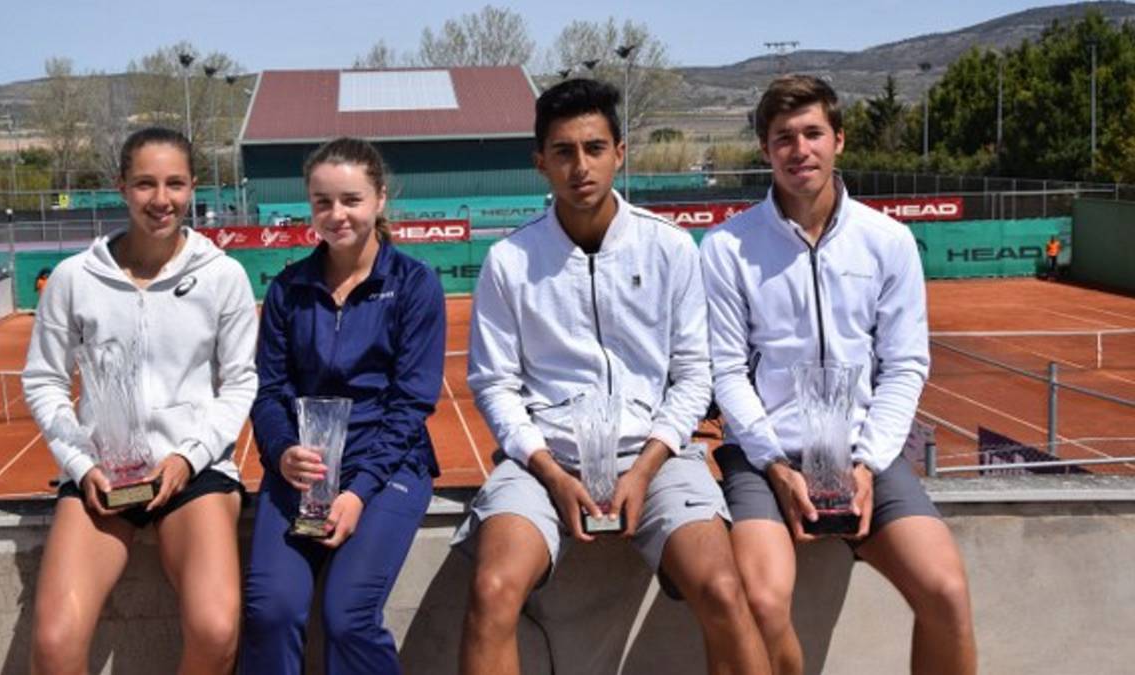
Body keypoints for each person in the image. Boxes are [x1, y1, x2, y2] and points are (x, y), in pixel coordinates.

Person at [453, 78, 771, 675]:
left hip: (659, 457)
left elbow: (692, 376)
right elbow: (494, 384)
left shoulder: (671, 249)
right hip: (544, 460)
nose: (581, 166)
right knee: (493, 591)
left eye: (595, 148)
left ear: (619, 152)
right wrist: (548, 470)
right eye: (564, 152)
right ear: (539, 162)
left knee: (726, 592)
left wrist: (648, 465)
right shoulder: (508, 261)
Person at [700, 75, 977, 675]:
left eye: (812, 134)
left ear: (839, 141)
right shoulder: (725, 248)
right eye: (783, 138)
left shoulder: (889, 242)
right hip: (762, 457)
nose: (799, 150)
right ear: (765, 148)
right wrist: (775, 464)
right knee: (764, 603)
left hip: (863, 457)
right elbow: (724, 370)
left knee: (947, 593)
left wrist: (868, 463)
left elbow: (905, 364)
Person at [22, 127, 258, 675]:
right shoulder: (74, 278)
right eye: (146, 183)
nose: (162, 199)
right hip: (100, 475)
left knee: (217, 629)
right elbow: (43, 380)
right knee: (55, 645)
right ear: (121, 187)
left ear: (193, 186)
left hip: (193, 473)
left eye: (175, 183)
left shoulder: (223, 276)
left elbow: (241, 382)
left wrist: (190, 456)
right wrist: (81, 466)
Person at [241, 137, 446, 674]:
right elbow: (267, 391)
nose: (337, 215)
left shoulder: (415, 285)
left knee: (348, 616)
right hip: (301, 471)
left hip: (387, 468)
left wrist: (357, 492)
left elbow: (411, 402)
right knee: (271, 611)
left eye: (351, 199)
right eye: (322, 202)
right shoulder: (289, 288)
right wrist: (284, 452)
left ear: (380, 198)